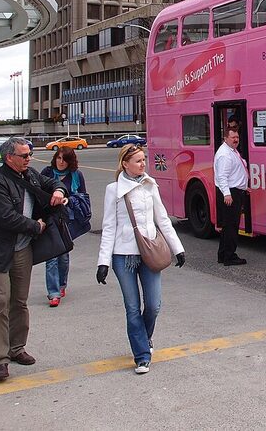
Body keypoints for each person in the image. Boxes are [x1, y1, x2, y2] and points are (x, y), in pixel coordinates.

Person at [0, 137, 68, 383]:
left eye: (30, 154)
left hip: (22, 251)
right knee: (0, 302)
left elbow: (54, 181)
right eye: (24, 155)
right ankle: (1, 360)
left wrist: (58, 190)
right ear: (9, 158)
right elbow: (6, 217)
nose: (29, 159)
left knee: (19, 302)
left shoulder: (31, 174)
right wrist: (37, 226)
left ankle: (17, 349)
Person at [97, 144, 184, 374]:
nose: (143, 164)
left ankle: (145, 338)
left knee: (153, 305)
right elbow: (108, 227)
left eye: (143, 159)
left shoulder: (150, 185)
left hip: (150, 252)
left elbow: (163, 219)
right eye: (137, 160)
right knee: (132, 307)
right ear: (124, 163)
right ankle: (142, 355)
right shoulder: (113, 189)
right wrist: (103, 263)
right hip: (123, 255)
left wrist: (178, 248)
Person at [40, 147, 87, 307]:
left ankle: (61, 285)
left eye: (64, 159)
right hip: (50, 218)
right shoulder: (47, 172)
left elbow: (83, 197)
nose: (61, 162)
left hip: (67, 219)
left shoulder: (77, 175)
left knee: (64, 256)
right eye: (59, 158)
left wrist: (70, 200)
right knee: (51, 256)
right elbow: (38, 194)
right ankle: (53, 293)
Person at [214, 127, 249, 266]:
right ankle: (230, 256)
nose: (236, 140)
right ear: (225, 138)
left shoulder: (231, 151)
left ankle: (223, 254)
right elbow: (222, 177)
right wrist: (227, 194)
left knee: (227, 226)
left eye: (237, 137)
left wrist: (244, 187)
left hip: (234, 191)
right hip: (230, 193)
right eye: (233, 137)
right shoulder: (225, 155)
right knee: (231, 226)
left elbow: (236, 172)